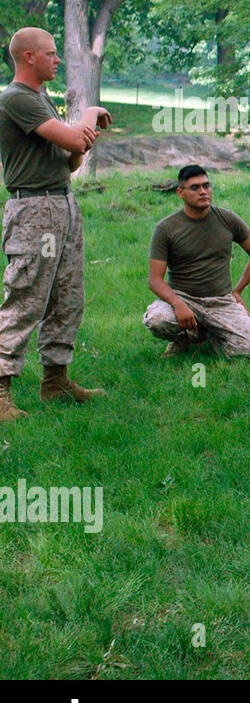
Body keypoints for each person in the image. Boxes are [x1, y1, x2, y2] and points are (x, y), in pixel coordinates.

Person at [0, 27, 110, 422]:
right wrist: (89, 114)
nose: (57, 60)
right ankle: (0, 390)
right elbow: (75, 141)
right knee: (25, 297)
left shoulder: (41, 99)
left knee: (67, 295)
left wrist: (81, 136)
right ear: (28, 57)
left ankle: (56, 380)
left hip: (60, 203)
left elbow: (71, 157)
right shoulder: (15, 98)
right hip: (34, 211)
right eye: (50, 53)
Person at [142, 165, 250, 357]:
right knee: (158, 320)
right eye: (195, 188)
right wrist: (177, 303)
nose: (203, 192)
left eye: (206, 186)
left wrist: (237, 291)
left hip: (220, 301)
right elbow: (155, 280)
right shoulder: (166, 228)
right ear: (180, 193)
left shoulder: (228, 219)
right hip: (183, 297)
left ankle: (206, 335)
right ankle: (181, 338)